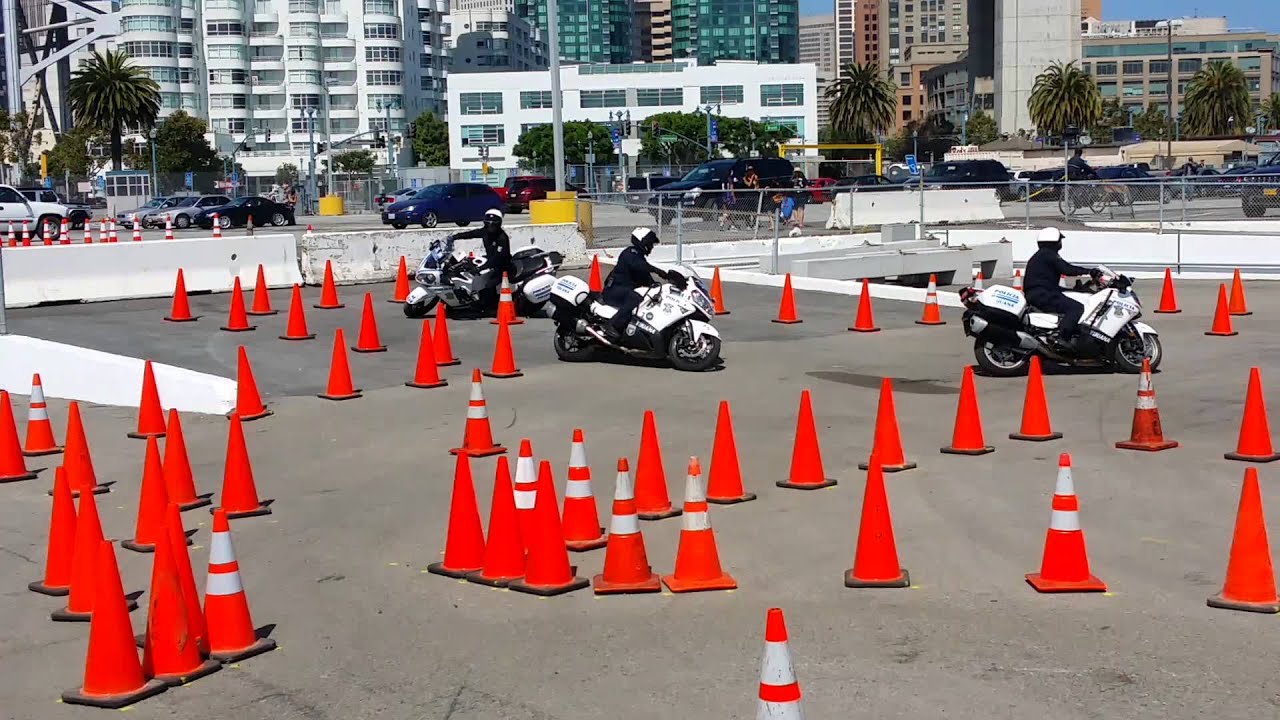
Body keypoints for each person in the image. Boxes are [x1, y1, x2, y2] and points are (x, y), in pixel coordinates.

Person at [1023, 226, 1102, 350]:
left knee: (1073, 296)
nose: (1061, 243)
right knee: (1076, 308)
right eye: (1060, 240)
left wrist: (1076, 290)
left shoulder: (1042, 255)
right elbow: (1067, 269)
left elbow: (1052, 282)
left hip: (1041, 291)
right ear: (1055, 242)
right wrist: (1089, 271)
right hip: (1042, 293)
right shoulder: (1049, 255)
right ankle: (1061, 338)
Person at [600, 227, 679, 339]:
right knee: (636, 297)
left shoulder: (639, 256)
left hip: (622, 290)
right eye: (650, 243)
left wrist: (662, 286)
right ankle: (613, 326)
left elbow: (646, 279)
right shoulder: (630, 253)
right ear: (643, 242)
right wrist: (659, 272)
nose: (651, 247)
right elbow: (639, 266)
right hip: (614, 291)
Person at [451, 208, 511, 313]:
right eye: (488, 224)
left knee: (489, 284)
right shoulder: (485, 232)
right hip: (490, 261)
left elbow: (498, 257)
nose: (491, 227)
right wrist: (455, 237)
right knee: (471, 270)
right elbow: (472, 234)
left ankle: (490, 308)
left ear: (498, 224)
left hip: (502, 265)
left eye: (493, 224)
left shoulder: (502, 237)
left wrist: (481, 268)